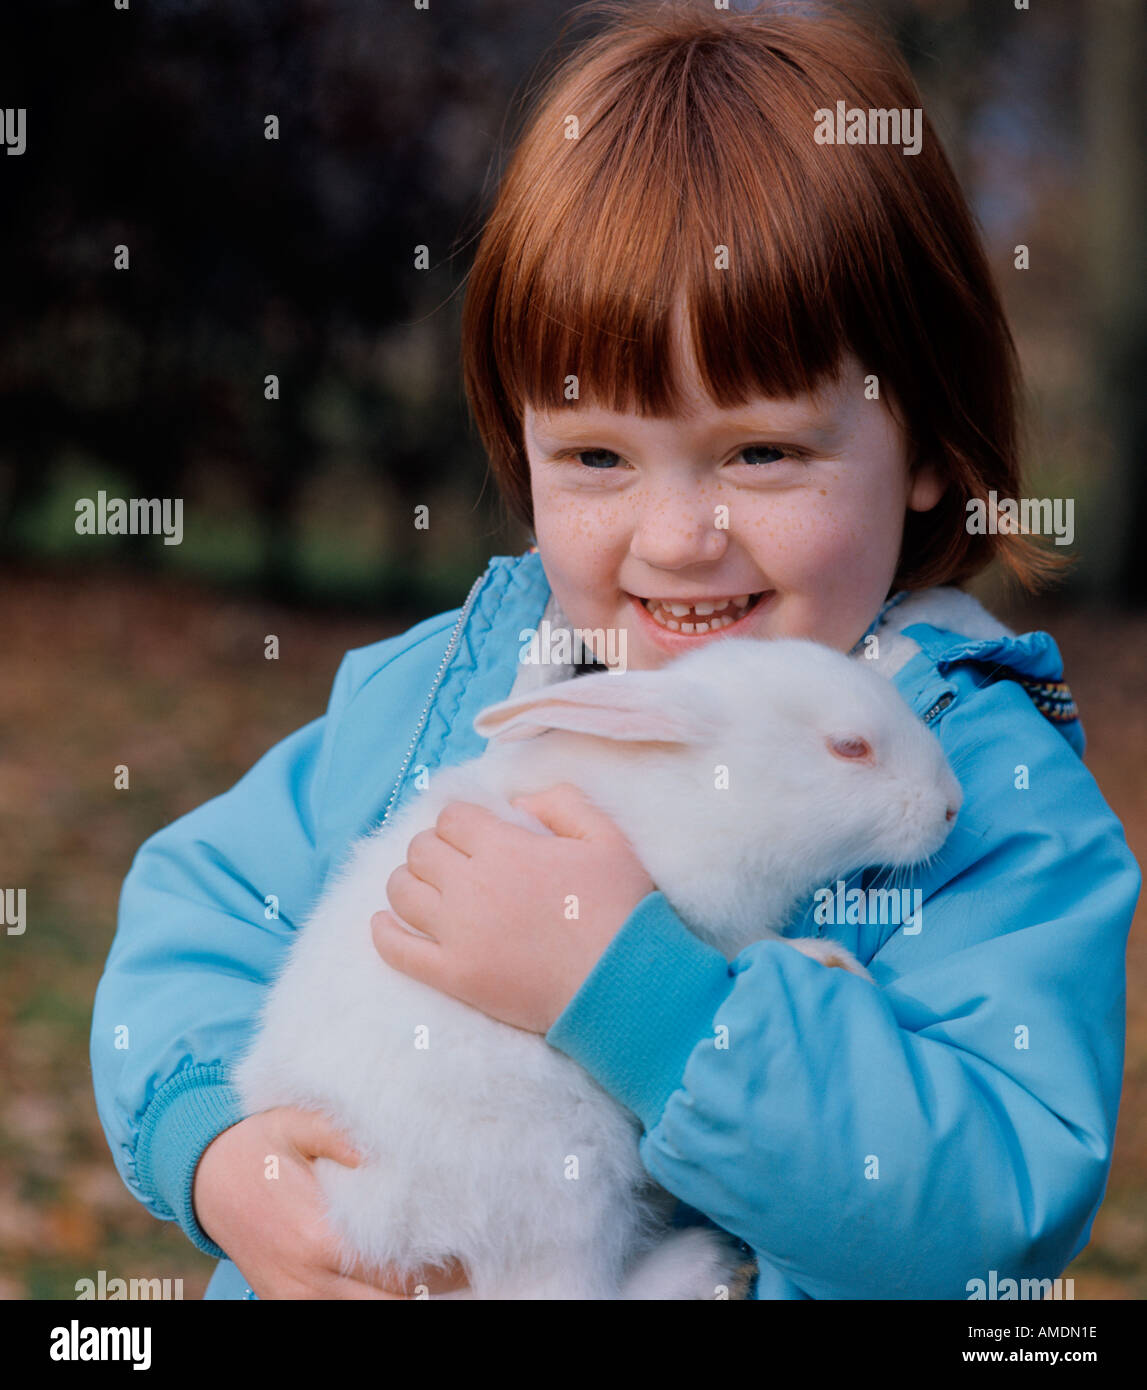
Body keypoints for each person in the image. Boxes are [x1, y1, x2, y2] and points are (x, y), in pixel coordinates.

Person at [91, 0, 1140, 1300]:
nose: (678, 537)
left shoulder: (987, 798)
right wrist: (219, 1154)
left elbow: (990, 1205)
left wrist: (645, 996)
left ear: (926, 444)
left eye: (762, 451)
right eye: (595, 456)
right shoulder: (453, 690)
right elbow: (193, 920)